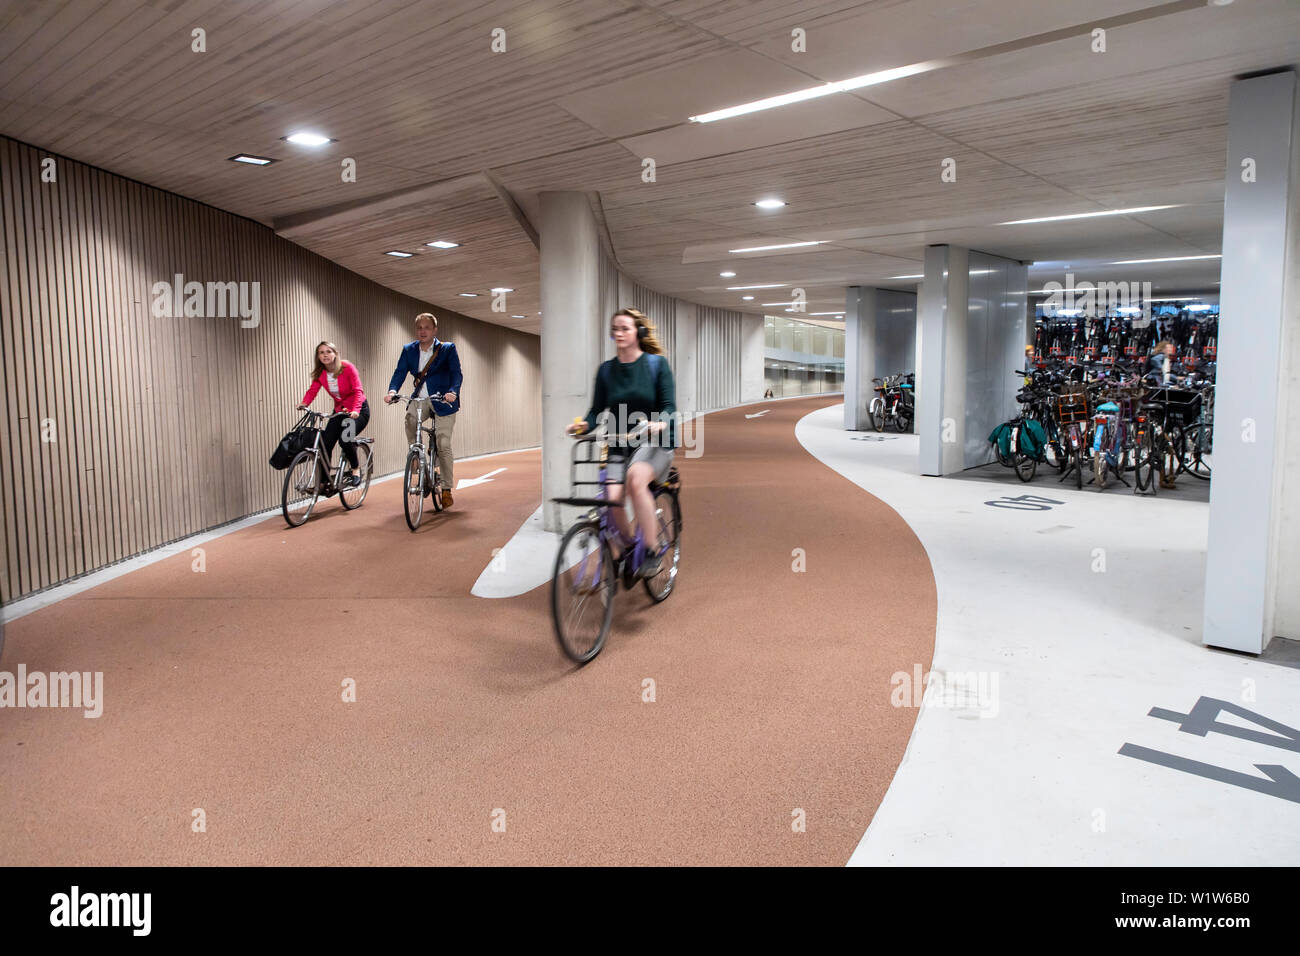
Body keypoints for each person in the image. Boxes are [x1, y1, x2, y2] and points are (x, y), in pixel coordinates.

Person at [566, 308, 677, 579]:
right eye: (615, 328)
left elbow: (668, 406)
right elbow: (595, 412)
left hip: (655, 442)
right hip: (619, 442)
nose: (618, 333)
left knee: (636, 480)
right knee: (611, 500)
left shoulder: (656, 365)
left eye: (625, 328)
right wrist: (583, 424)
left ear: (637, 332)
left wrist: (660, 422)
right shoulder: (606, 371)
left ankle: (651, 550)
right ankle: (630, 548)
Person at [385, 312, 462, 507]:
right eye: (419, 327)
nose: (422, 331)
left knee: (443, 443)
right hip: (420, 398)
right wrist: (393, 390)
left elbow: (456, 374)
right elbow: (400, 372)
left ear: (434, 330)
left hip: (443, 400)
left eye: (427, 327)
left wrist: (453, 391)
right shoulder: (409, 350)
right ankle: (416, 454)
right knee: (410, 420)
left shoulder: (446, 349)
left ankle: (446, 488)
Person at [298, 341, 369, 488]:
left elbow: (357, 390)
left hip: (359, 410)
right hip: (340, 411)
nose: (325, 355)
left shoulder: (347, 367)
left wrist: (355, 410)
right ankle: (324, 482)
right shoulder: (321, 373)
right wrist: (304, 403)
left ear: (335, 354)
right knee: (325, 443)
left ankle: (355, 469)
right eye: (321, 352)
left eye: (328, 351)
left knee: (345, 439)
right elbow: (313, 390)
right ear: (318, 356)